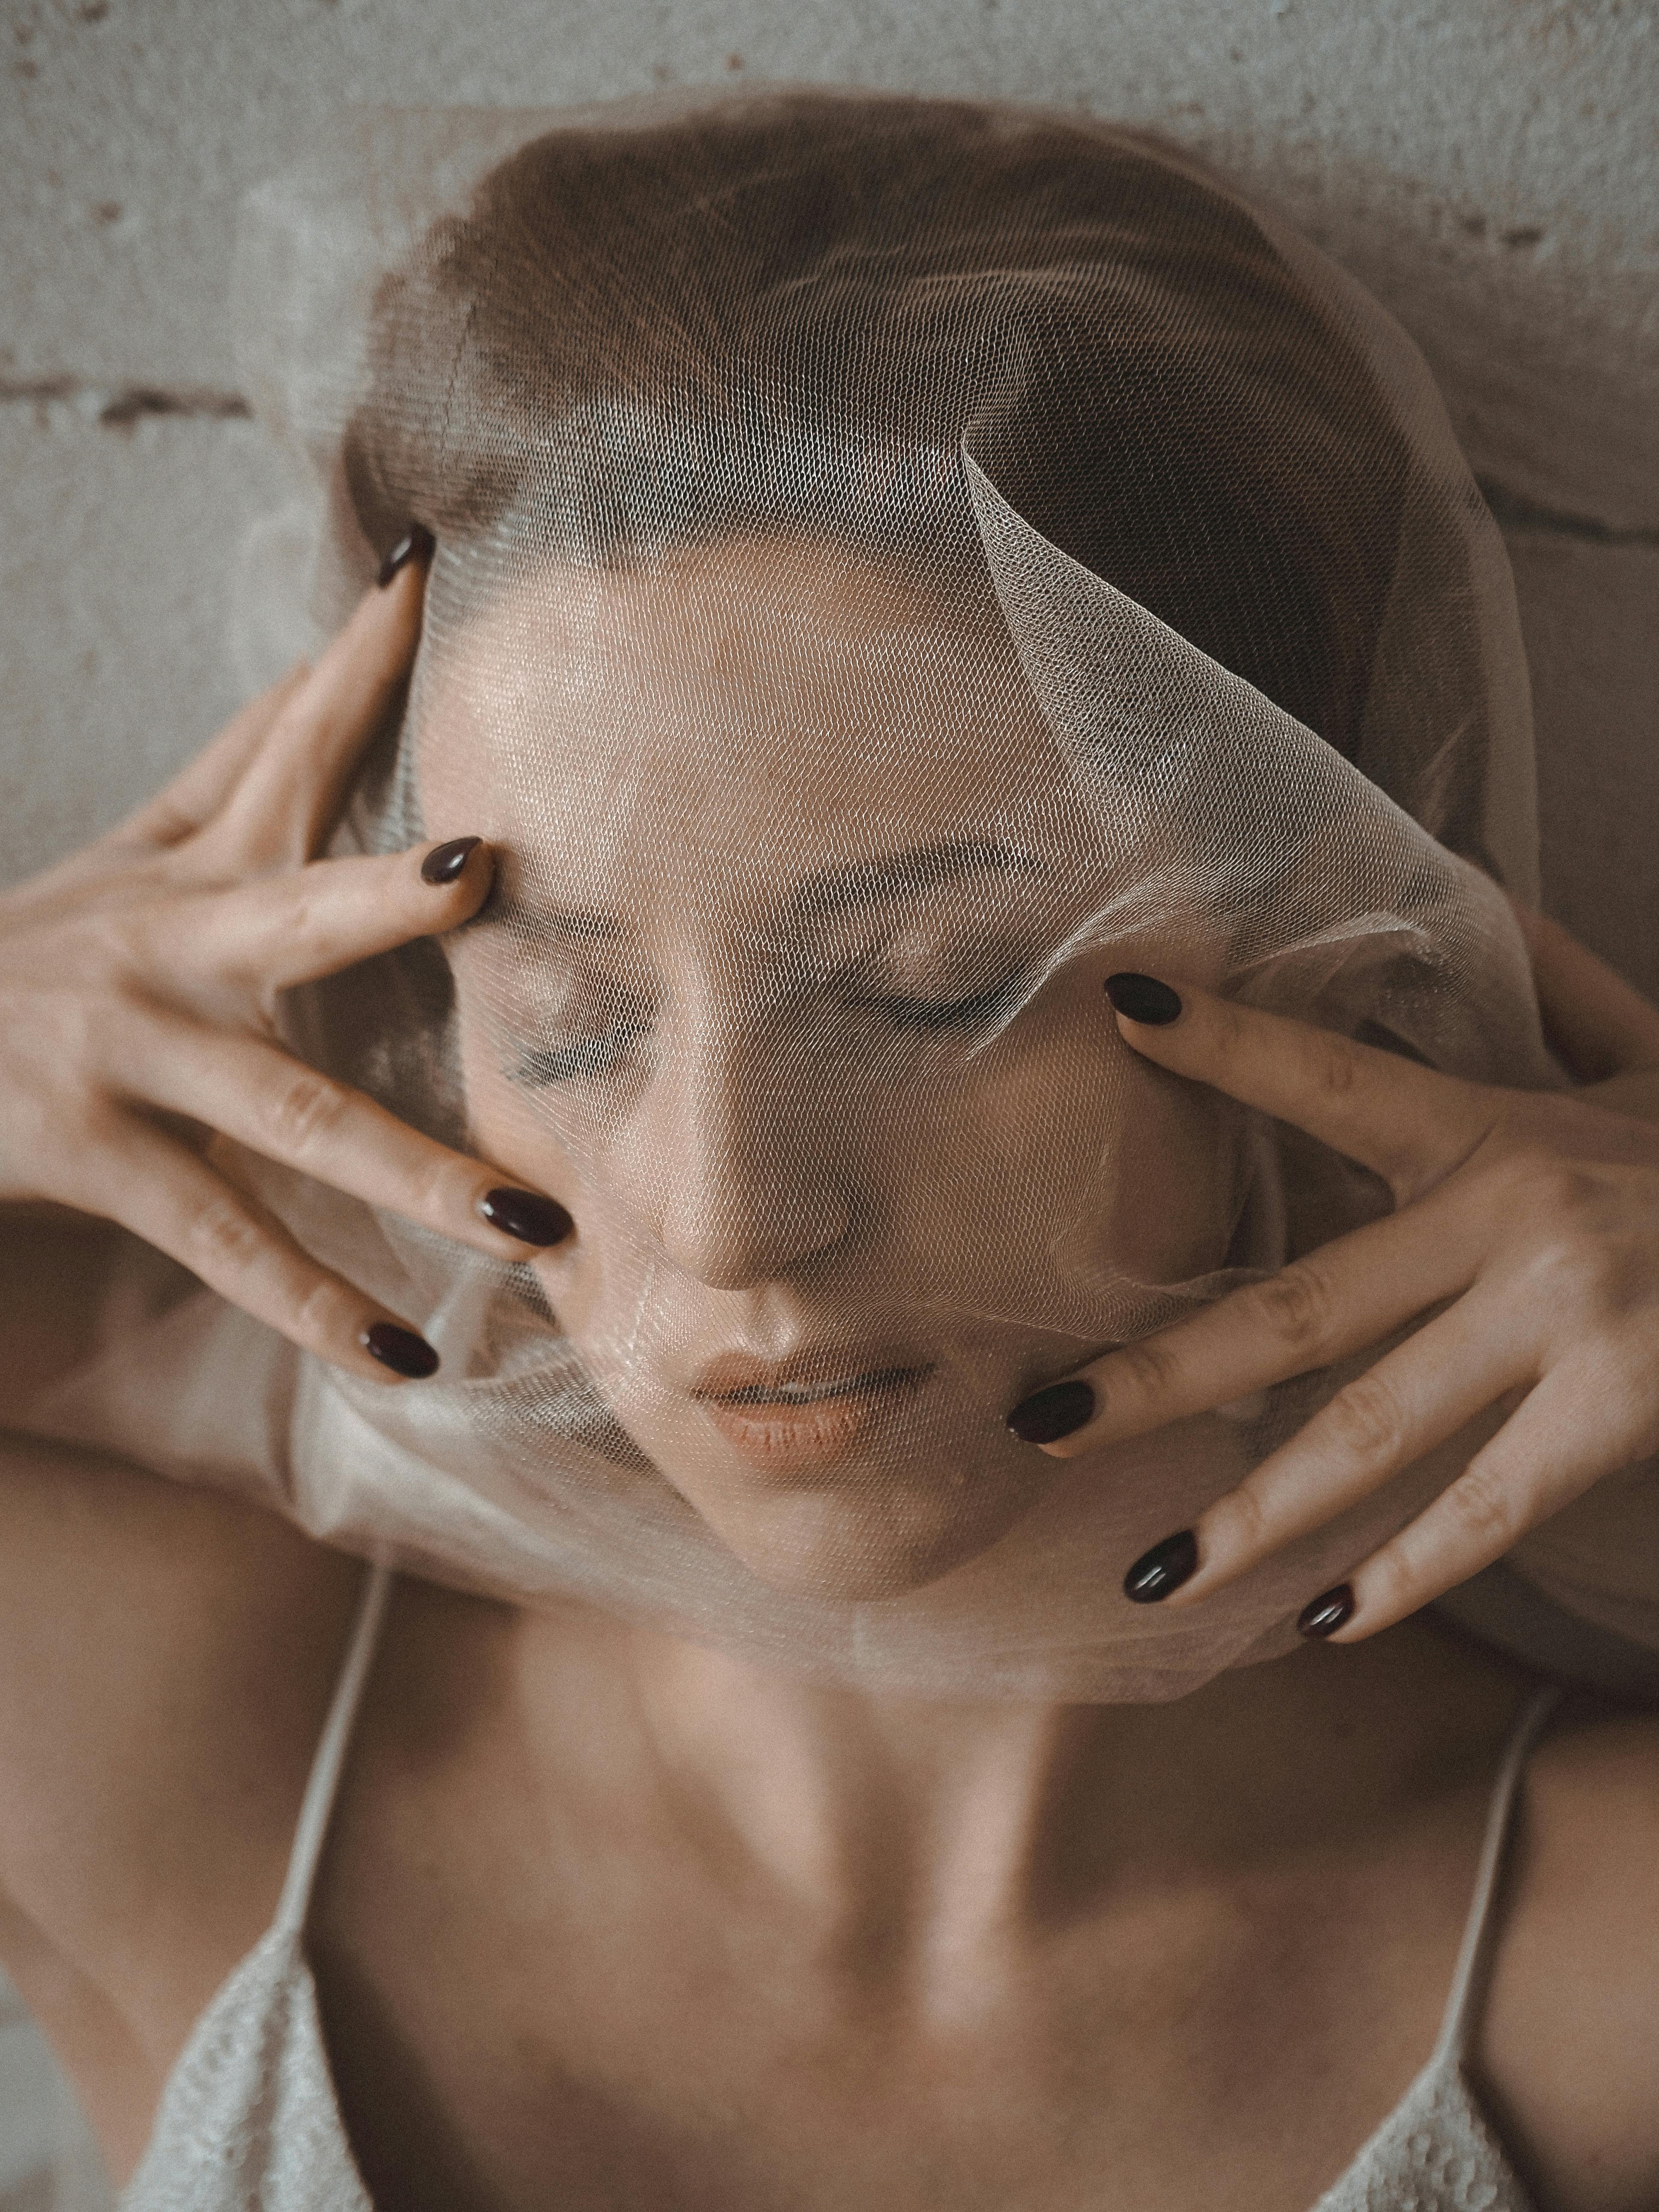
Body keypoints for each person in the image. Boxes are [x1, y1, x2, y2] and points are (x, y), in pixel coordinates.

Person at [0, 93, 1656, 2209]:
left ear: (1336, 945)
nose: (724, 1212)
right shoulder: (177, 1762)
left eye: (936, 987)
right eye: (568, 1016)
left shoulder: (1594, 1966)